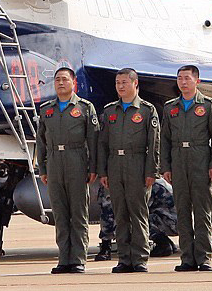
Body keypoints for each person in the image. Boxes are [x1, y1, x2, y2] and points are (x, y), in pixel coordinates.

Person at [36, 67, 99, 274]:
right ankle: (64, 259)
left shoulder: (85, 108)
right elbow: (41, 142)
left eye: (64, 79)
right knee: (60, 214)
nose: (60, 83)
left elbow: (93, 140)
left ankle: (78, 259)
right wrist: (42, 167)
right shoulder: (47, 110)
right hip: (54, 161)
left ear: (74, 83)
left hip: (77, 160)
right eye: (57, 80)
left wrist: (93, 167)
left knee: (79, 213)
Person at [97, 68, 160, 273]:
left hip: (138, 163)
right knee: (120, 213)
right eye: (117, 83)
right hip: (115, 163)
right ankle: (124, 258)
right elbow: (102, 143)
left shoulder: (146, 110)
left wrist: (151, 171)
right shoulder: (109, 111)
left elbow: (154, 143)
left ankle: (140, 257)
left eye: (124, 82)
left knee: (138, 212)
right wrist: (103, 172)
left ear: (135, 83)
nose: (120, 86)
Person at [161, 65, 212, 271]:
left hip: (201, 160)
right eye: (179, 78)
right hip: (179, 161)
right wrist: (166, 167)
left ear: (197, 81)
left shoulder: (207, 105)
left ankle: (204, 257)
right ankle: (187, 257)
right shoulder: (171, 107)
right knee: (183, 211)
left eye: (187, 78)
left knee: (203, 212)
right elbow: (165, 140)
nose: (183, 82)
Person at [94, 179, 179, 260]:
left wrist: (105, 246)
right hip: (175, 223)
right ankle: (165, 242)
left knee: (136, 219)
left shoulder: (117, 185)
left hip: (169, 222)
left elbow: (108, 215)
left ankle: (163, 244)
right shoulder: (152, 181)